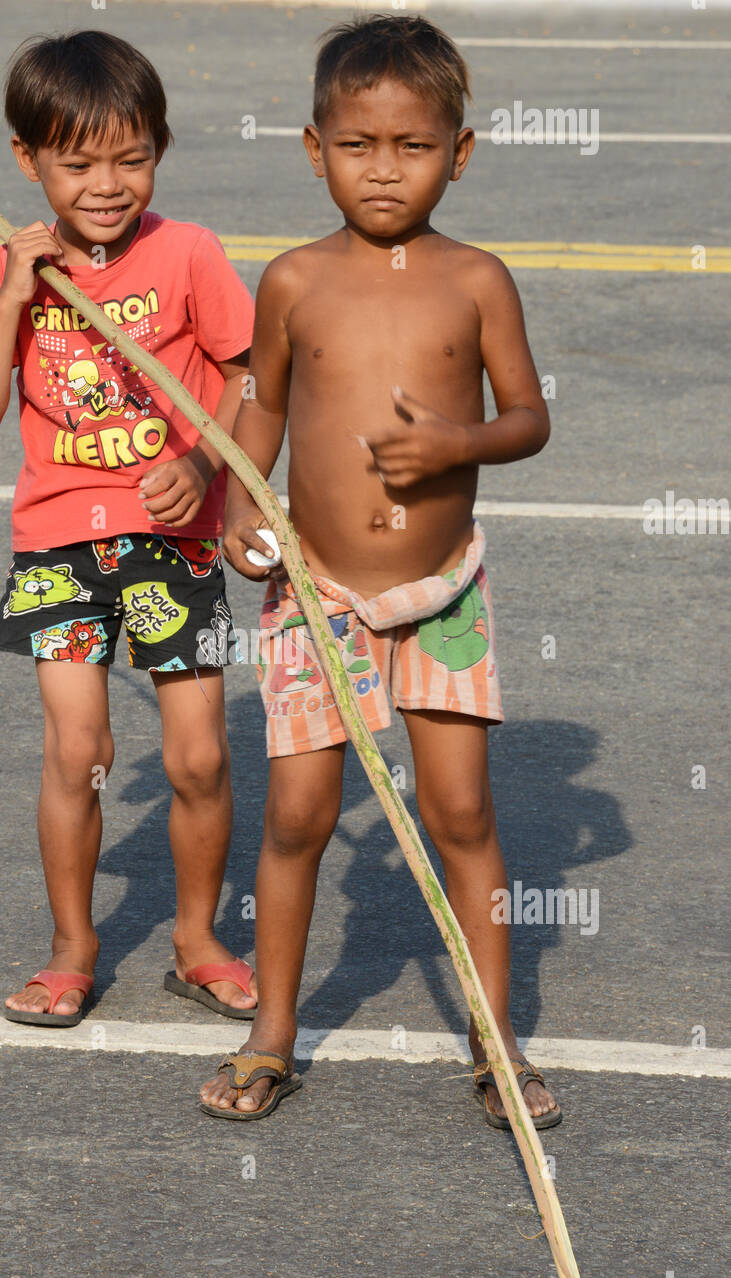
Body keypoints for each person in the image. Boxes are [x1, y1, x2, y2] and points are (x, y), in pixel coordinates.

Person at [199, 14, 561, 1126]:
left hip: (443, 591)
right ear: (315, 149)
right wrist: (235, 510)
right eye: (358, 144)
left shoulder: (477, 280)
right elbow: (260, 405)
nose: (384, 169)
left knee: (460, 810)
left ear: (460, 150)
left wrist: (460, 444)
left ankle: (496, 1042)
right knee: (300, 815)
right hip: (314, 592)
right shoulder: (295, 280)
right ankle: (274, 1034)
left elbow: (531, 417)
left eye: (412, 145)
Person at [0, 30, 257, 1025]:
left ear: (159, 149)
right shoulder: (16, 269)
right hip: (56, 545)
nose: (108, 184)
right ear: (27, 160)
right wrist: (16, 296)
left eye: (132, 158)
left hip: (175, 541)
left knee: (199, 756)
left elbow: (252, 381)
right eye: (78, 163)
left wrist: (207, 464)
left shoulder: (189, 253)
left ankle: (199, 937)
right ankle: (72, 946)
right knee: (77, 747)